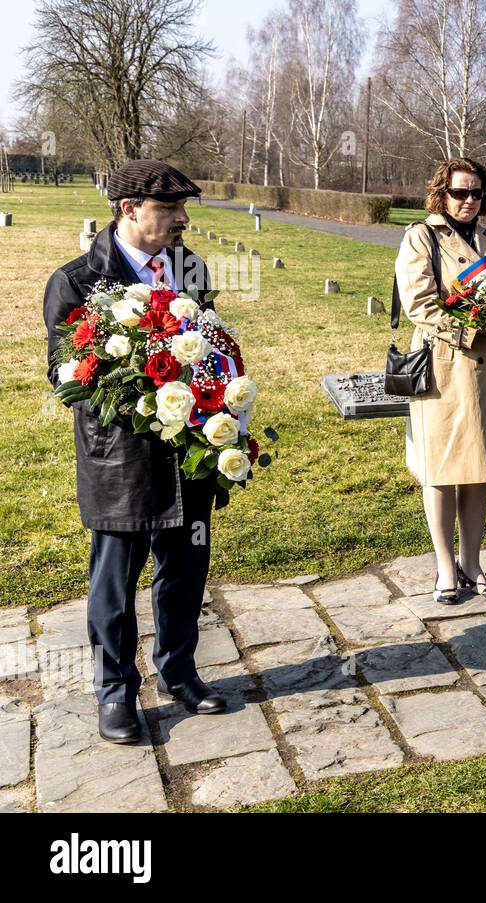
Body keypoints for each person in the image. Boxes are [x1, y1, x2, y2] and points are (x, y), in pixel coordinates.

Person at [42, 160, 230, 744]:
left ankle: (179, 672)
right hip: (120, 457)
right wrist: (137, 386)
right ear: (129, 209)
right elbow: (63, 374)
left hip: (188, 450)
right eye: (169, 209)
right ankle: (116, 691)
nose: (182, 219)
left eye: (183, 209)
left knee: (185, 568)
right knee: (115, 578)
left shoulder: (191, 269)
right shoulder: (76, 281)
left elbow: (213, 344)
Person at [396, 157, 486, 605]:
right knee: (442, 467)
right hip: (444, 365)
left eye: (476, 193)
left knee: (477, 467)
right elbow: (420, 305)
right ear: (441, 194)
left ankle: (473, 562)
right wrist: (471, 330)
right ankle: (445, 567)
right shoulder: (422, 237)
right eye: (459, 192)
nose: (468, 201)